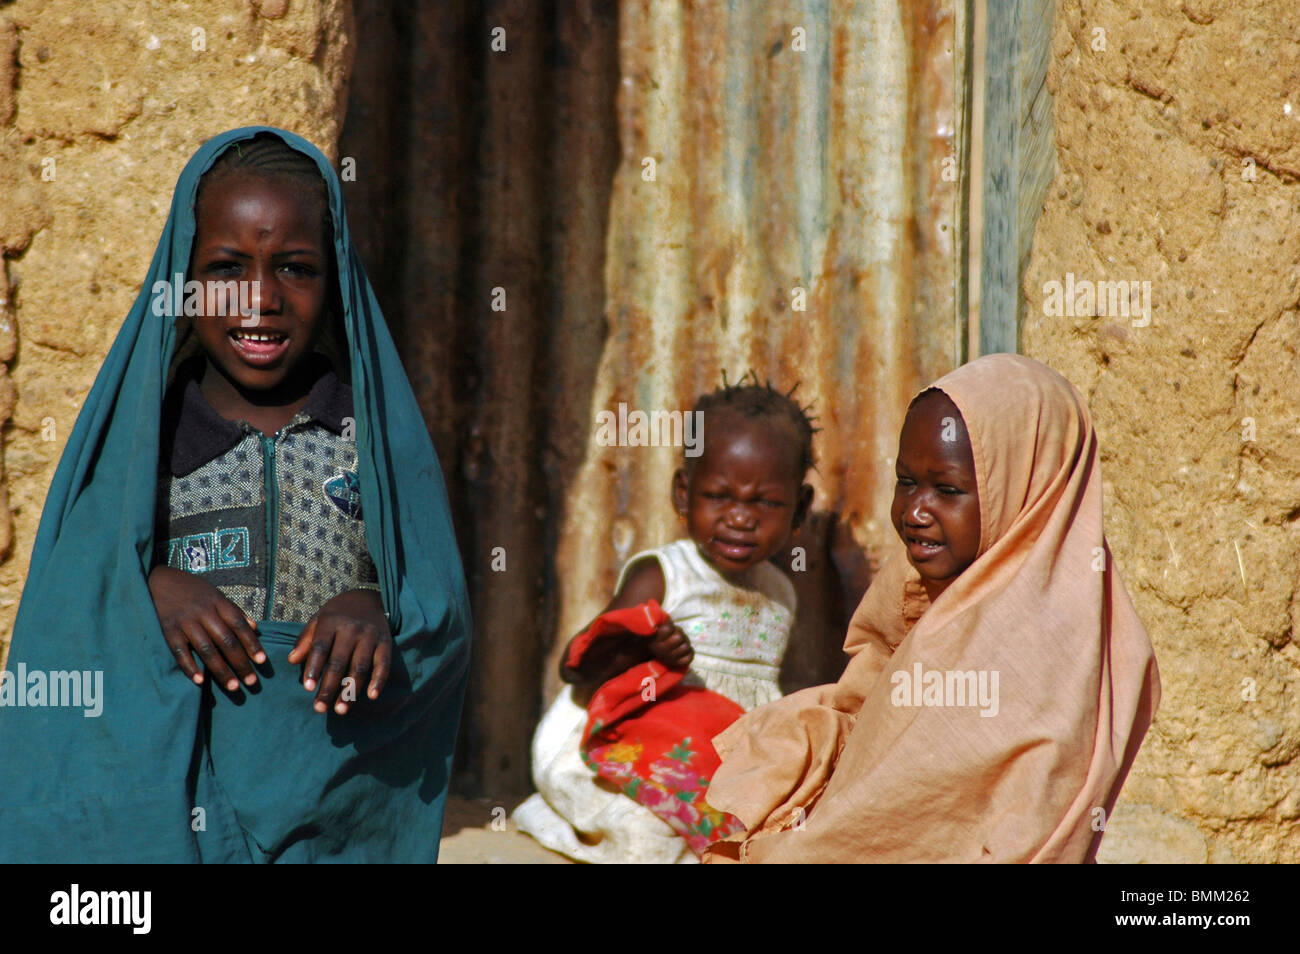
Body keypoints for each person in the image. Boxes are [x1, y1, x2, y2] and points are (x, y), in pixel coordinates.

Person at [0, 127, 472, 863]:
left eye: (296, 267)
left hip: (328, 801)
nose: (262, 298)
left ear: (335, 280)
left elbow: (438, 612)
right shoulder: (144, 441)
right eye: (226, 269)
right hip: (170, 798)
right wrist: (149, 588)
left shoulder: (368, 439)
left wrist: (374, 605)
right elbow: (75, 598)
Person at [702, 354, 1161, 863]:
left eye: (947, 490)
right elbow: (864, 716)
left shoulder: (1053, 652)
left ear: (1026, 490)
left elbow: (999, 830)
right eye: (906, 482)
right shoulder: (920, 592)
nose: (915, 512)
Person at [513, 377, 816, 863]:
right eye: (719, 496)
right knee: (650, 834)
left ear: (800, 508)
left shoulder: (781, 594)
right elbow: (579, 667)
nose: (740, 517)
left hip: (720, 764)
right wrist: (642, 650)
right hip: (627, 749)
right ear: (683, 494)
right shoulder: (664, 575)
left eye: (765, 502)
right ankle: (550, 817)